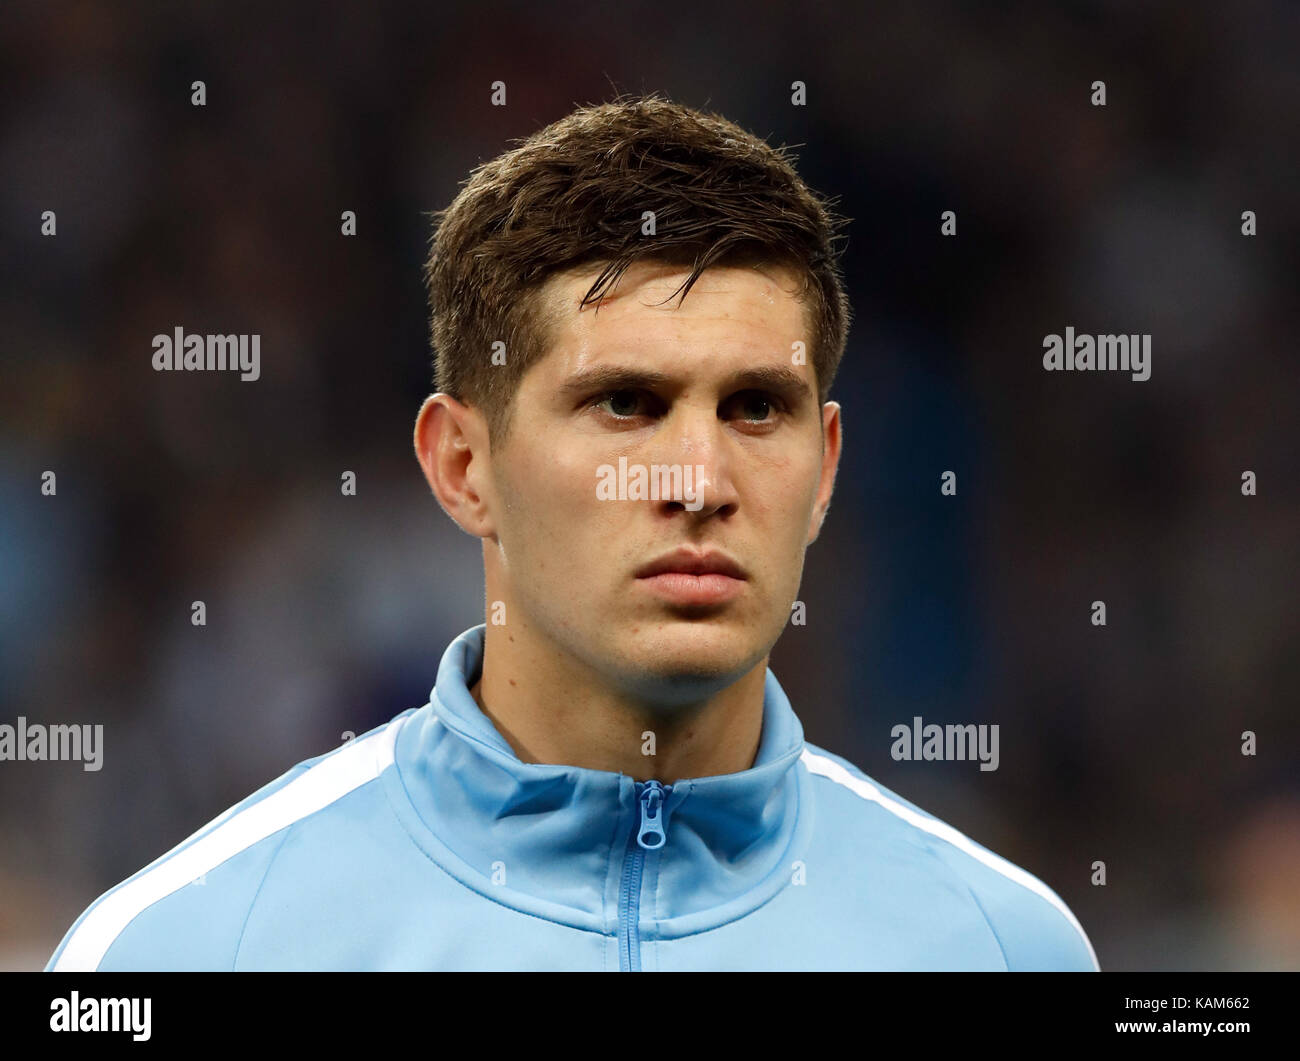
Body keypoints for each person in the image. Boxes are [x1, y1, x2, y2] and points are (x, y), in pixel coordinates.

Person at [46, 95, 1097, 971]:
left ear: (825, 467)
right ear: (463, 467)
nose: (701, 480)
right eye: (627, 404)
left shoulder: (1003, 945)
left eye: (755, 408)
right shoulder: (183, 948)